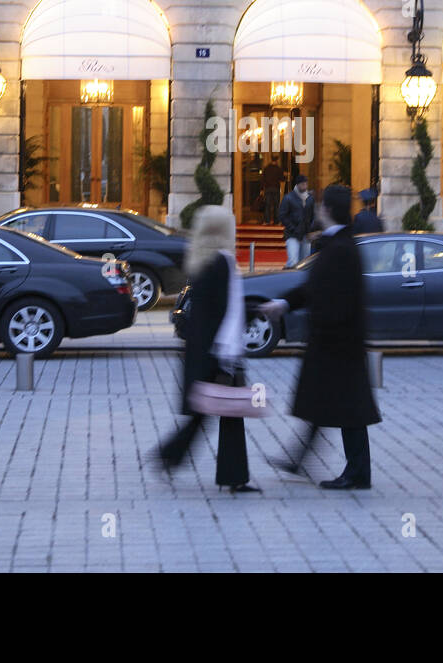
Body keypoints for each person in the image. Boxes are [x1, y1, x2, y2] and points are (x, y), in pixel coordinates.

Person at [260, 185, 380, 490]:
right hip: (339, 341)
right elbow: (314, 287)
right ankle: (303, 460)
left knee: (348, 409)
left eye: (323, 205)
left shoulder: (340, 248)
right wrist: (284, 303)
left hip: (338, 342)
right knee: (328, 404)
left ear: (327, 210)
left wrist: (290, 308)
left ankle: (357, 473)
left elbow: (327, 294)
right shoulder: (338, 244)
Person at [157, 206, 258, 493]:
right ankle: (231, 475)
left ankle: (171, 455)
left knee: (207, 413)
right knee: (228, 414)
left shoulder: (200, 260)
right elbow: (229, 311)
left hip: (201, 352)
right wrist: (229, 356)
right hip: (220, 353)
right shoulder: (224, 261)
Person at [278, 174, 314, 267]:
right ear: (297, 184)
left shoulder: (310, 198)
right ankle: (289, 276)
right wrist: (292, 228)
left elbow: (313, 215)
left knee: (305, 262)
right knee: (293, 261)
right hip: (292, 234)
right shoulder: (288, 198)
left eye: (306, 183)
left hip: (306, 234)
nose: (305, 186)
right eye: (303, 184)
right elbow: (282, 215)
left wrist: (311, 228)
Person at [261, 156, 284, 225]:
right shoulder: (278, 169)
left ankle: (267, 221)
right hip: (276, 188)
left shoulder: (266, 168)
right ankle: (276, 221)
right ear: (276, 161)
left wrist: (262, 189)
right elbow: (282, 178)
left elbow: (263, 179)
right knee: (276, 205)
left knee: (267, 205)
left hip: (268, 188)